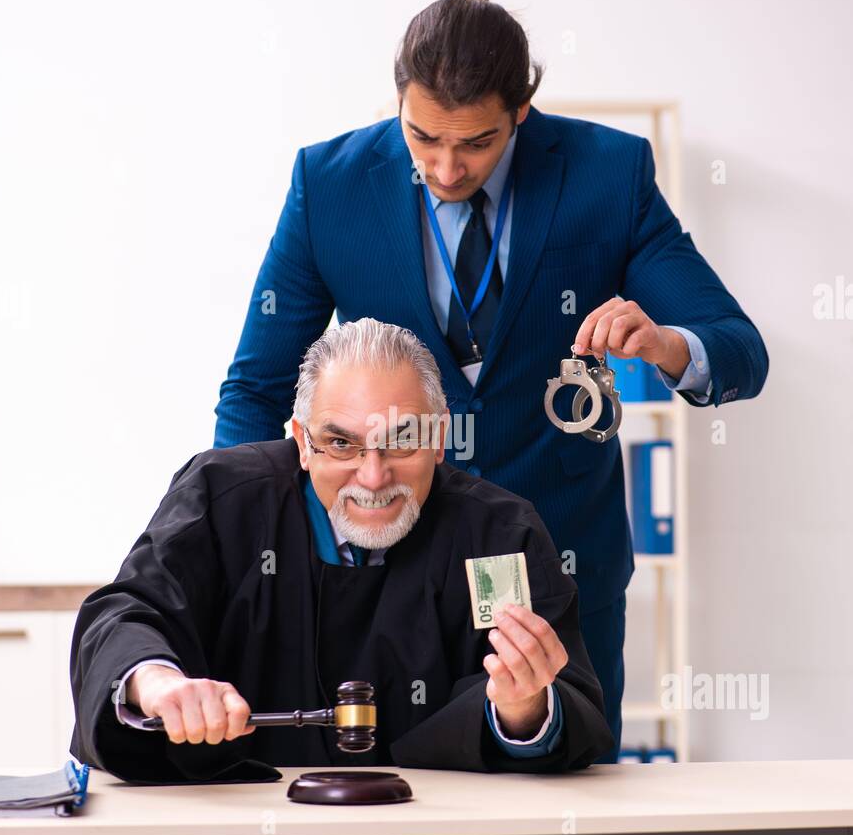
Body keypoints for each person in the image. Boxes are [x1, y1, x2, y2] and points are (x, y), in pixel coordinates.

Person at [212, 0, 769, 761]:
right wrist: (246, 540)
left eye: (475, 143)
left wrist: (668, 344)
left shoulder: (606, 173)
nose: (444, 168)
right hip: (384, 573)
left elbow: (739, 350)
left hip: (560, 568)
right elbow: (255, 390)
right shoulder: (330, 185)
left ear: (521, 112)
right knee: (388, 799)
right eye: (422, 138)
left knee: (564, 795)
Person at [69, 319, 613, 785]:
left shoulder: (497, 535)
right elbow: (125, 614)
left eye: (402, 440)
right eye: (341, 443)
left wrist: (521, 710)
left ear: (441, 436)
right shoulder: (222, 497)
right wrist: (157, 682)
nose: (373, 477)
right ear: (303, 442)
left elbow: (566, 700)